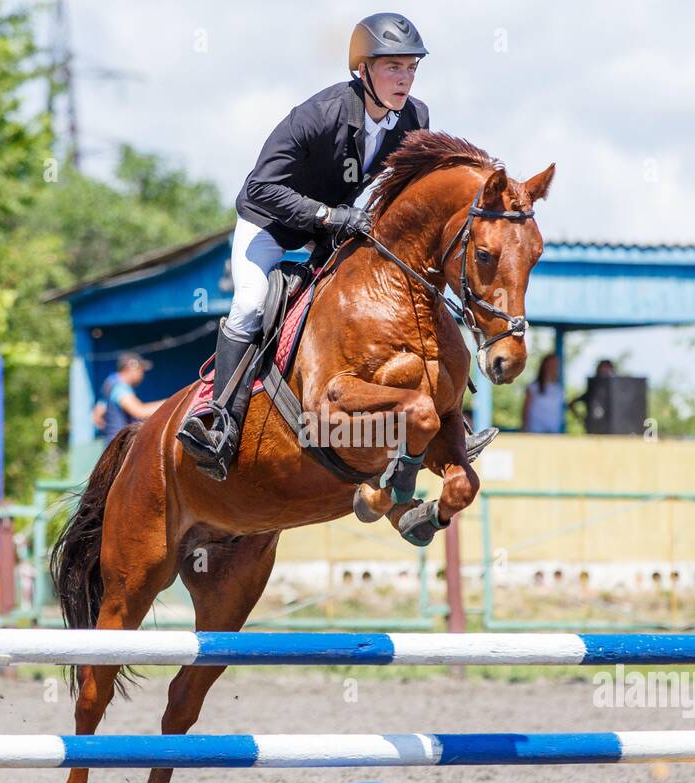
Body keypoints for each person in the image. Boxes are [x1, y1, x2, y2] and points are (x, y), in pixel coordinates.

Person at [177, 12, 495, 480]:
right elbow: (260, 187)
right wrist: (329, 215)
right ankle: (218, 421)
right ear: (362, 69)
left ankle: (446, 419)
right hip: (270, 227)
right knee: (249, 303)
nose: (404, 78)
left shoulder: (415, 117)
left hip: (333, 231)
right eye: (393, 68)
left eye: (410, 68)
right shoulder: (317, 116)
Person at [93, 352, 163, 445]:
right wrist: (171, 403)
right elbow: (140, 412)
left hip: (112, 446)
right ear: (132, 368)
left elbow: (97, 416)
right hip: (120, 448)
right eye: (140, 369)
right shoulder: (120, 387)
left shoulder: (110, 382)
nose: (142, 374)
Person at [522, 354, 564, 433]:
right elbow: (525, 410)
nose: (554, 367)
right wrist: (524, 428)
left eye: (556, 365)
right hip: (535, 433)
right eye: (551, 364)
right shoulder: (533, 387)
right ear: (544, 366)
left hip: (554, 434)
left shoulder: (559, 389)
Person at [568, 359, 616, 425]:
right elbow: (571, 404)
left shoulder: (618, 394)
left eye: (608, 370)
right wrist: (581, 419)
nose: (606, 373)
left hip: (614, 432)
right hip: (594, 431)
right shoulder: (592, 392)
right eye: (603, 371)